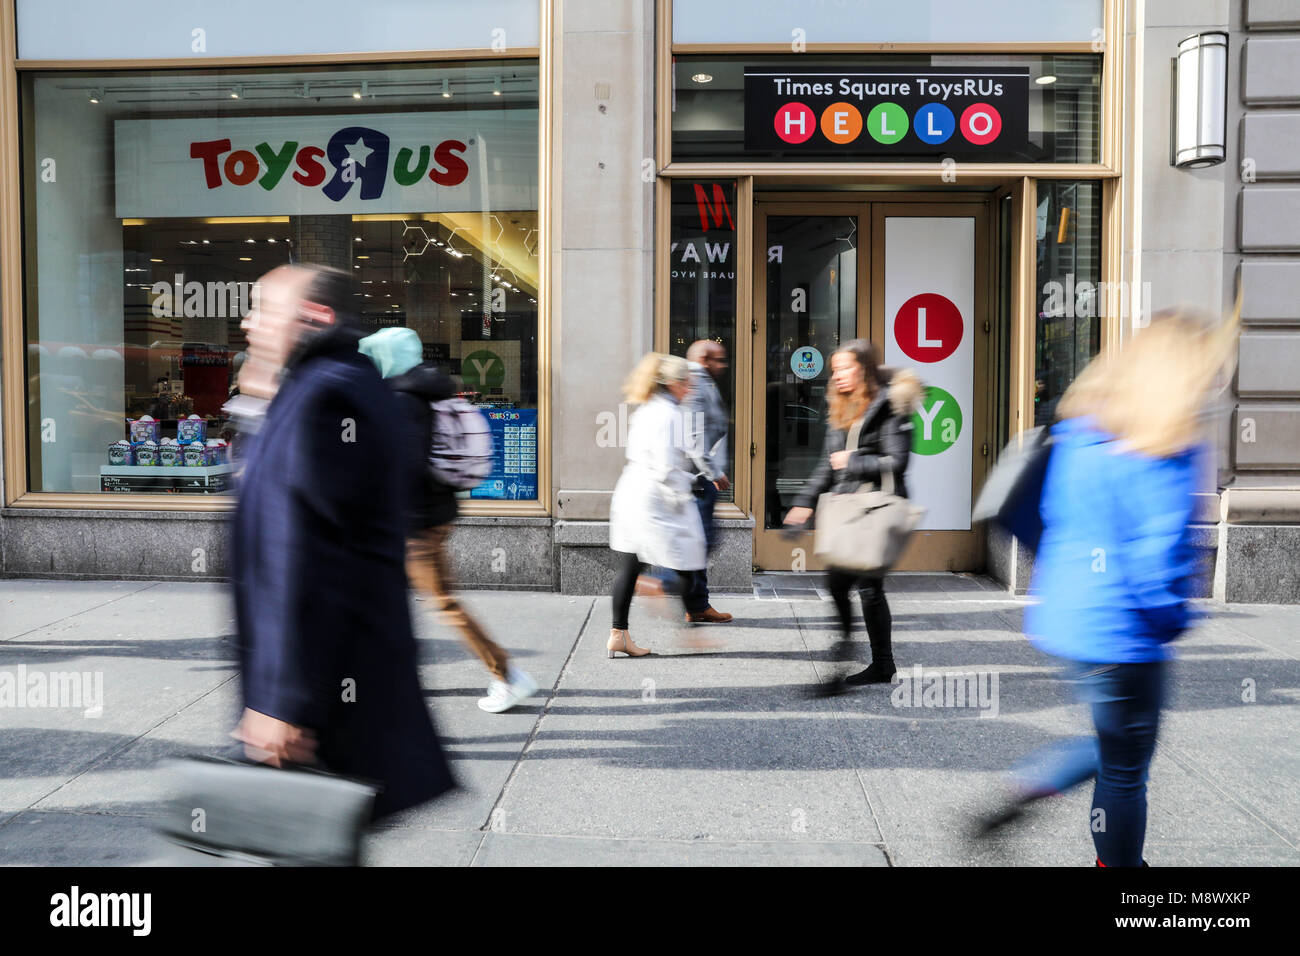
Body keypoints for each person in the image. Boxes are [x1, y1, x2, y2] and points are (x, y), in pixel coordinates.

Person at [975, 307, 1237, 866]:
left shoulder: (1080, 432)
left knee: (1112, 746)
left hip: (1070, 619)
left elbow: (1048, 515)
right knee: (1125, 766)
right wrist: (1176, 619)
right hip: (1126, 633)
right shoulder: (1166, 445)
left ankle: (1037, 787)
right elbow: (1155, 559)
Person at [230, 264, 454, 820]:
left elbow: (305, 558)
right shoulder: (325, 385)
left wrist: (282, 702)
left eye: (263, 310)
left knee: (309, 838)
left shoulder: (327, 397)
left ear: (315, 318)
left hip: (323, 697)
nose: (247, 323)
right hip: (328, 685)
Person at [358, 326, 539, 714]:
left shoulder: (405, 399)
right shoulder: (429, 390)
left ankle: (507, 674)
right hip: (431, 515)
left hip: (414, 522)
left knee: (443, 603)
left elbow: (406, 466)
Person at [783, 339, 921, 693]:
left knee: (859, 586)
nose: (838, 375)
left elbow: (898, 460)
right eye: (836, 370)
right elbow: (825, 465)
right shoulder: (842, 405)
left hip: (874, 510)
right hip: (850, 510)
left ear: (865, 368)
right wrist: (804, 502)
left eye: (845, 368)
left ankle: (852, 663)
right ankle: (880, 663)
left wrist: (854, 461)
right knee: (855, 586)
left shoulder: (888, 405)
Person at [607, 353, 708, 658]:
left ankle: (618, 634)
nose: (689, 389)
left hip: (632, 491)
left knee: (631, 566)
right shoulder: (669, 414)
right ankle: (657, 590)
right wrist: (691, 486)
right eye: (687, 383)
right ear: (674, 383)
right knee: (689, 564)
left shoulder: (647, 409)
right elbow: (665, 467)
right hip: (657, 498)